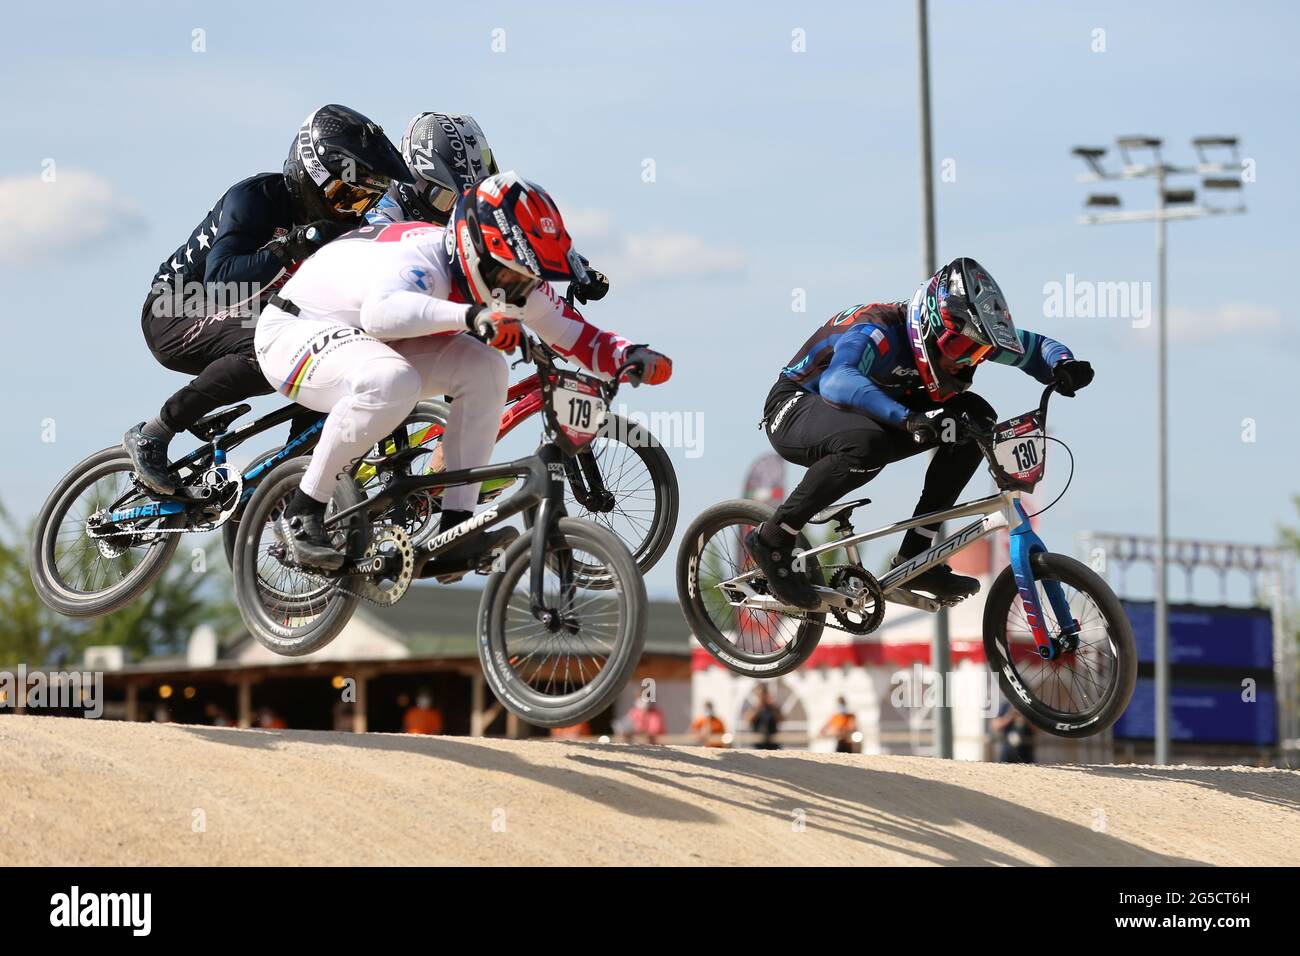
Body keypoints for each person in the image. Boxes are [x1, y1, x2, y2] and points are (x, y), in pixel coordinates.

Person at [253, 171, 672, 573]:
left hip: (363, 338)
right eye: (509, 274)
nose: (516, 289)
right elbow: (381, 315)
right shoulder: (424, 260)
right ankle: (303, 510)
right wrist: (472, 316)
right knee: (393, 380)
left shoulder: (512, 277)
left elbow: (577, 336)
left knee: (485, 366)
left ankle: (455, 528)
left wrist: (628, 355)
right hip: (293, 330)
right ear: (476, 249)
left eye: (527, 279)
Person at [747, 257, 1094, 609]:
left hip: (873, 409)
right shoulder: (878, 330)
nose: (967, 362)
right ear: (927, 328)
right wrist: (908, 418)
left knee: (974, 420)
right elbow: (838, 382)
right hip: (796, 407)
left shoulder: (967, 333)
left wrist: (1062, 364)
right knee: (867, 445)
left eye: (977, 354)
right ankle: (774, 538)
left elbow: (1031, 347)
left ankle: (916, 558)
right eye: (960, 351)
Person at [124, 105, 412, 494]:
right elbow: (220, 281)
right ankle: (155, 432)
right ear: (312, 172)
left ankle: (298, 471)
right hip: (174, 308)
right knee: (275, 342)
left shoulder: (343, 227)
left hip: (242, 317)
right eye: (345, 194)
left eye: (364, 201)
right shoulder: (255, 198)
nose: (352, 210)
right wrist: (289, 247)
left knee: (332, 348)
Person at [366, 111, 610, 304]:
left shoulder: (476, 208)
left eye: (469, 197)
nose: (457, 212)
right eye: (445, 199)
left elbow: (523, 232)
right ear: (414, 178)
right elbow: (381, 246)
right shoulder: (382, 202)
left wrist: (575, 268)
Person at [745, 684, 781, 750]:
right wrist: (758, 708)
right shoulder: (754, 708)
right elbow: (748, 720)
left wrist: (771, 706)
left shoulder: (772, 708)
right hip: (758, 743)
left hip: (772, 742)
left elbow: (781, 718)